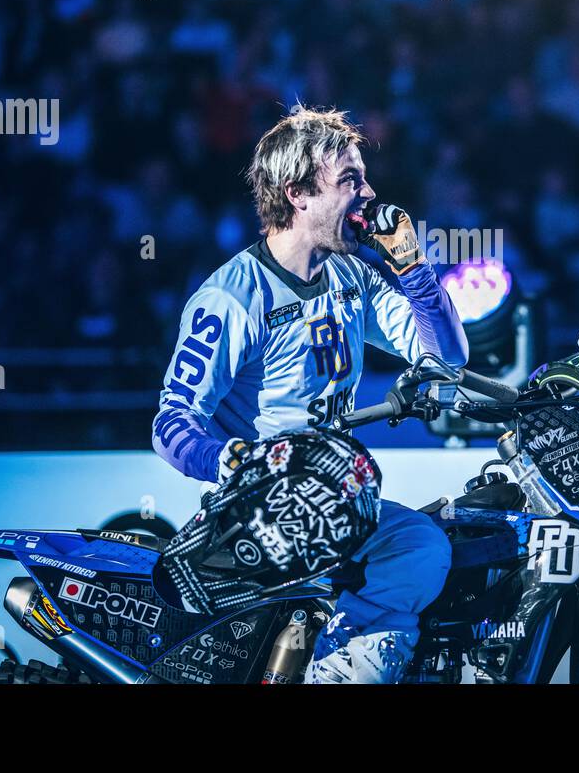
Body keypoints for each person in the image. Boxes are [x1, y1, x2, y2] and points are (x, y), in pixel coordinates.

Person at [151, 105, 468, 682]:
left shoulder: (354, 275)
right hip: (258, 518)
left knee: (424, 545)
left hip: (333, 507)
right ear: (298, 194)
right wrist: (232, 459)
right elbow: (171, 422)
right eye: (350, 180)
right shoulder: (233, 296)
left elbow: (448, 358)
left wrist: (416, 270)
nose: (369, 193)